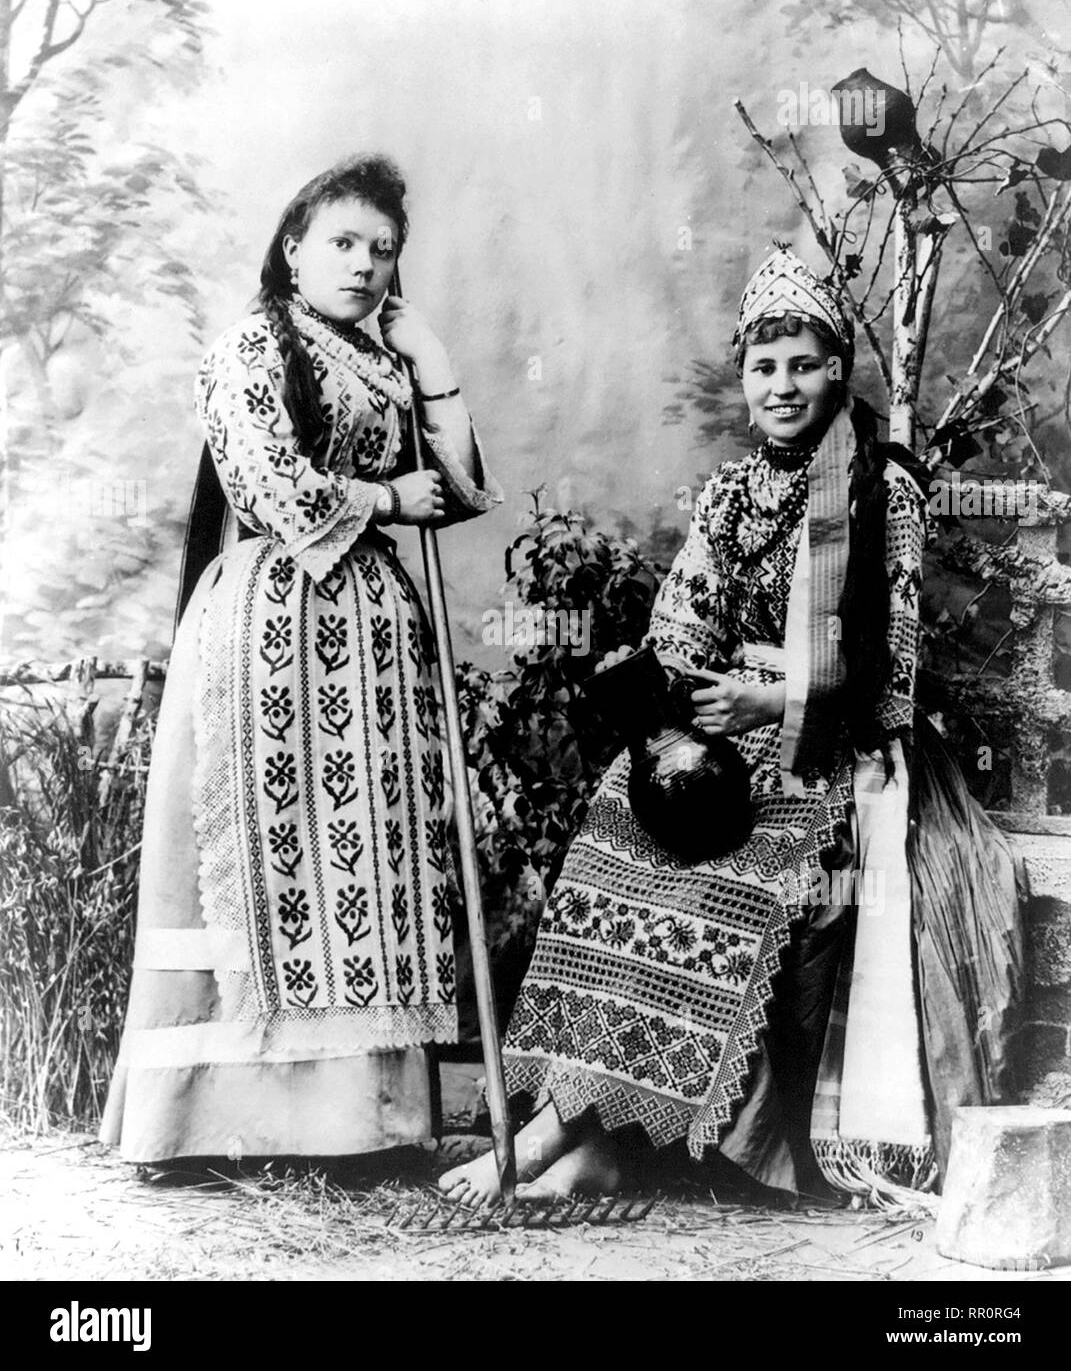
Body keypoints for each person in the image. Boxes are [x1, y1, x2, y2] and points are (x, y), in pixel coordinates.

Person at [440, 246, 1020, 1206]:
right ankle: (592, 1130)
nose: (783, 385)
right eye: (764, 366)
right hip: (730, 738)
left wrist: (777, 699)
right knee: (616, 833)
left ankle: (564, 1138)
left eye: (802, 364)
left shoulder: (884, 494)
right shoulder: (728, 493)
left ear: (837, 368)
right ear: (742, 380)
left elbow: (892, 679)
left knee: (736, 876)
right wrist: (678, 712)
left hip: (836, 747)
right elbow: (681, 633)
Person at [101, 154, 502, 1162]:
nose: (366, 265)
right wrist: (379, 497)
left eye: (384, 250)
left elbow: (458, 492)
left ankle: (361, 1123)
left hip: (367, 634)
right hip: (268, 625)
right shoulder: (253, 345)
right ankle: (214, 1122)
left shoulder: (383, 360)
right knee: (267, 848)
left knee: (363, 854)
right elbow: (270, 480)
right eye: (344, 243)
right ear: (293, 246)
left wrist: (434, 361)